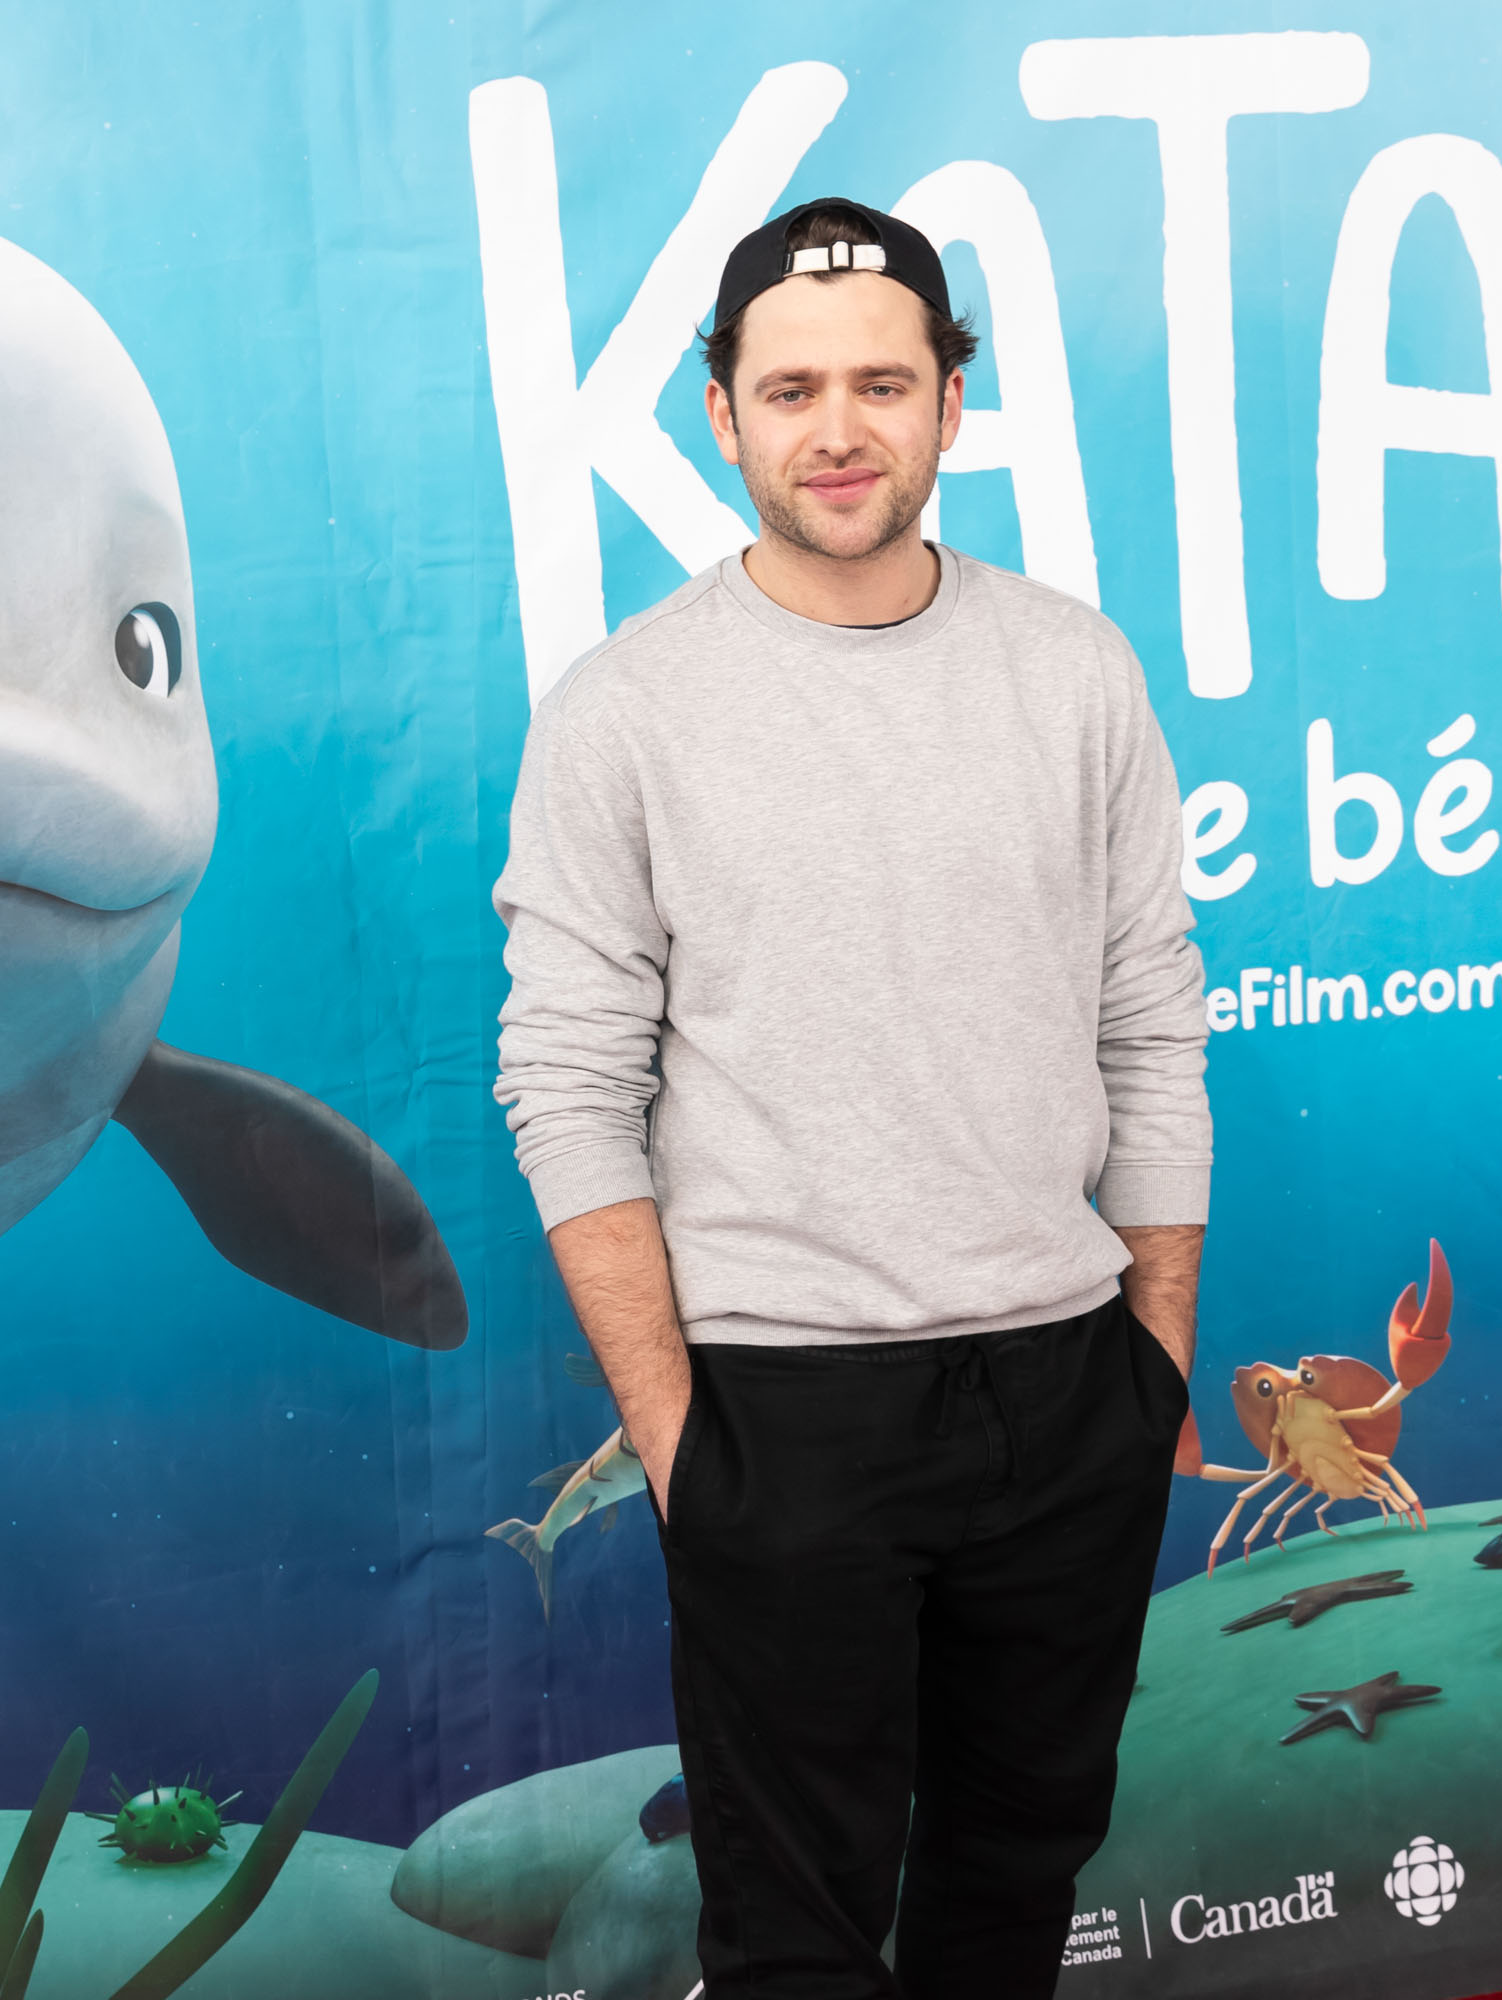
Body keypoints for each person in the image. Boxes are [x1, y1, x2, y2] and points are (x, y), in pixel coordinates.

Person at [491, 197, 1211, 2000]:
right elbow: (567, 1086)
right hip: (780, 1417)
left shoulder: (1076, 670)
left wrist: (1155, 1362)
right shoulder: (623, 713)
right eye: (790, 385)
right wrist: (677, 1442)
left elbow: (1152, 1022)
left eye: (883, 382)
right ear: (719, 412)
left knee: (1016, 1881)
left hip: (1070, 1393)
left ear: (951, 404)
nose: (838, 428)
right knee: (796, 1933)